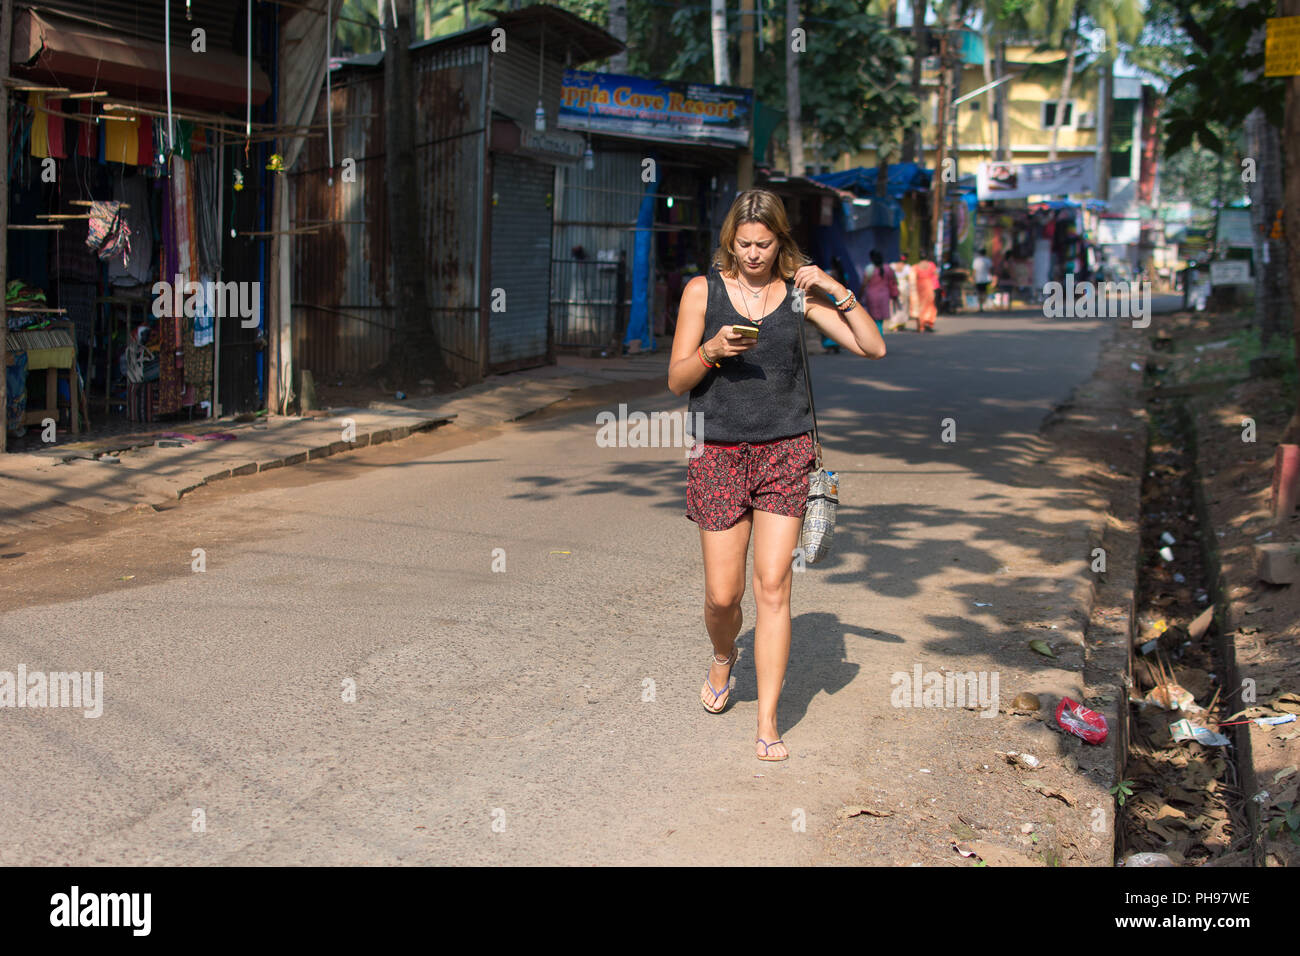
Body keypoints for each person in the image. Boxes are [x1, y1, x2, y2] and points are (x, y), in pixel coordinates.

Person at [668, 188, 886, 761]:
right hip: (716, 453)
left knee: (773, 587)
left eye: (765, 244)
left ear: (780, 241)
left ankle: (766, 722)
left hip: (785, 453)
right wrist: (713, 348)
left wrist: (834, 288)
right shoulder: (702, 291)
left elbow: (873, 347)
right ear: (729, 241)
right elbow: (676, 380)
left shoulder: (798, 295)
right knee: (723, 595)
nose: (755, 254)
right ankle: (723, 656)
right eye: (744, 244)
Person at [860, 249, 898, 335]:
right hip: (884, 296)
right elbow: (893, 282)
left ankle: (877, 336)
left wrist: (860, 296)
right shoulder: (888, 268)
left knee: (874, 318)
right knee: (880, 319)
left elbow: (864, 284)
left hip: (872, 296)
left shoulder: (869, 269)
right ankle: (879, 333)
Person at [910, 255, 939, 332]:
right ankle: (928, 321)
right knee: (930, 305)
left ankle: (920, 324)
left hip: (919, 287)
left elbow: (912, 278)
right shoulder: (931, 265)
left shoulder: (916, 266)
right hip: (929, 286)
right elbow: (936, 275)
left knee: (920, 305)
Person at [889, 253, 912, 330]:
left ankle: (895, 322)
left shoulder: (892, 266)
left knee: (894, 305)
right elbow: (909, 278)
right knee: (904, 305)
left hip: (895, 286)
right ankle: (901, 323)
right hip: (904, 286)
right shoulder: (907, 267)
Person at [971, 248, 993, 312]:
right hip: (986, 279)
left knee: (979, 293)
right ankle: (983, 305)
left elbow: (974, 271)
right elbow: (990, 270)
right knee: (984, 292)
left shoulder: (976, 260)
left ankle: (980, 306)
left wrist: (973, 277)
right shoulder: (988, 260)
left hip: (978, 279)